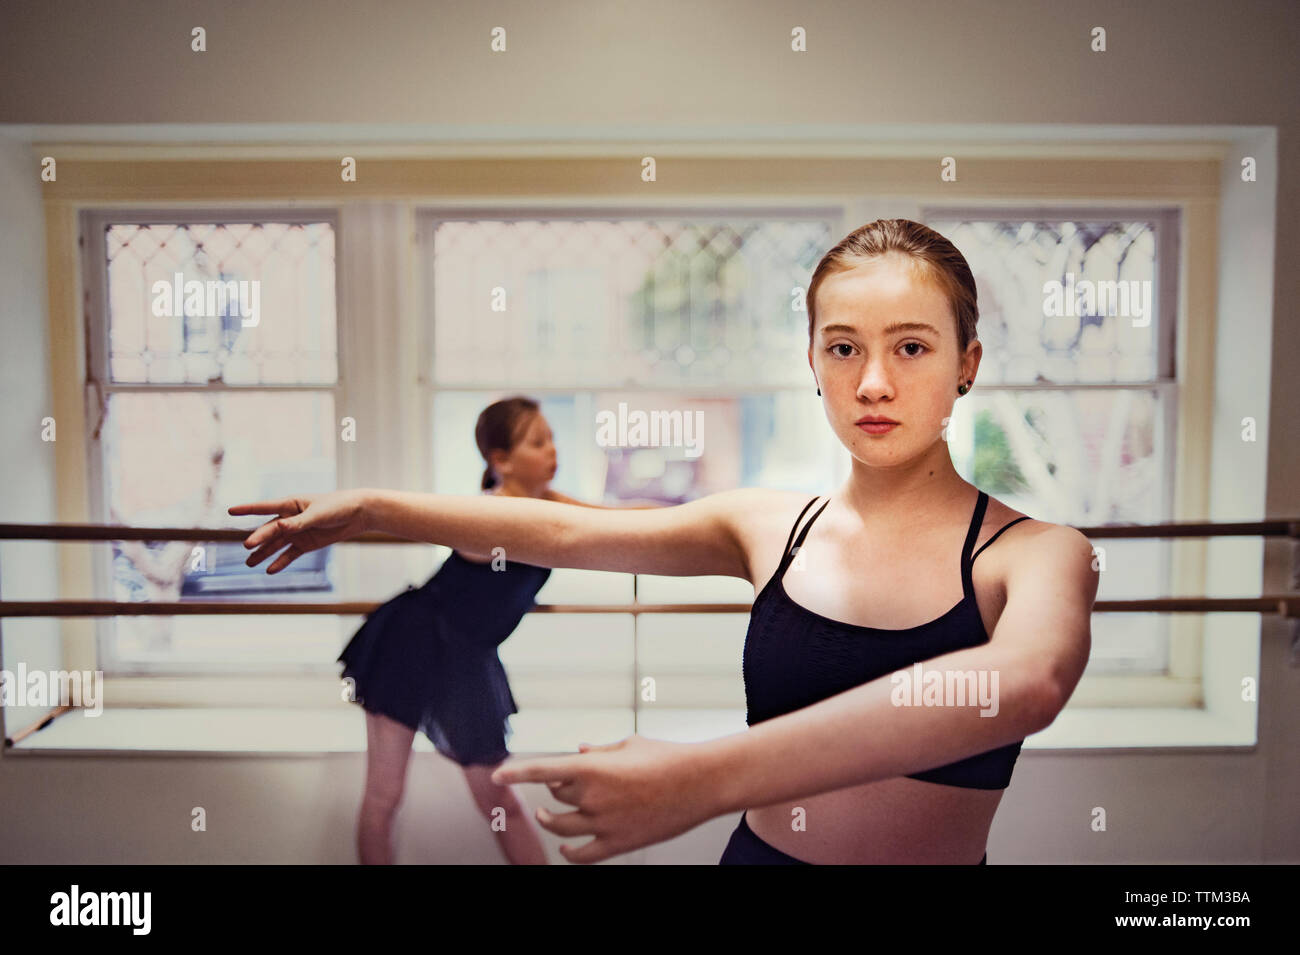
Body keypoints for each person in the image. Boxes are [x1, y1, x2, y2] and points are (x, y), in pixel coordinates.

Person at [229, 218, 1098, 865]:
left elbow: (1024, 682)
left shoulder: (1037, 553)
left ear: (967, 363)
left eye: (911, 346)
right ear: (813, 361)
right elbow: (568, 528)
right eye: (843, 347)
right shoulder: (771, 527)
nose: (872, 381)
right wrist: (378, 508)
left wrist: (704, 776)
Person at [332, 396, 630, 864]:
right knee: (385, 796)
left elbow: (620, 520)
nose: (553, 450)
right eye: (538, 442)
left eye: (552, 439)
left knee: (501, 802)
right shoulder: (490, 509)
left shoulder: (550, 505)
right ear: (501, 461)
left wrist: (703, 512)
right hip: (411, 642)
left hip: (468, 657)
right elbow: (470, 532)